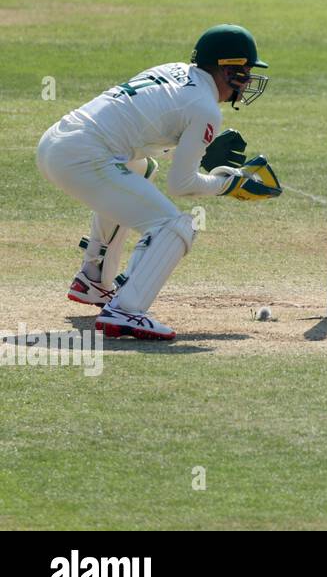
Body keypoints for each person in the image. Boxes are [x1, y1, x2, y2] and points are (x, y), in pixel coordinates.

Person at [35, 24, 280, 340]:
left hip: (56, 143)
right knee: (174, 226)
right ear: (226, 70)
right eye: (244, 73)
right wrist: (227, 184)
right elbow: (182, 185)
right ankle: (126, 311)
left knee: (140, 168)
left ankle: (94, 279)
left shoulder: (173, 71)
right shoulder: (205, 109)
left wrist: (195, 147)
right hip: (83, 157)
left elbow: (143, 128)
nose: (247, 83)